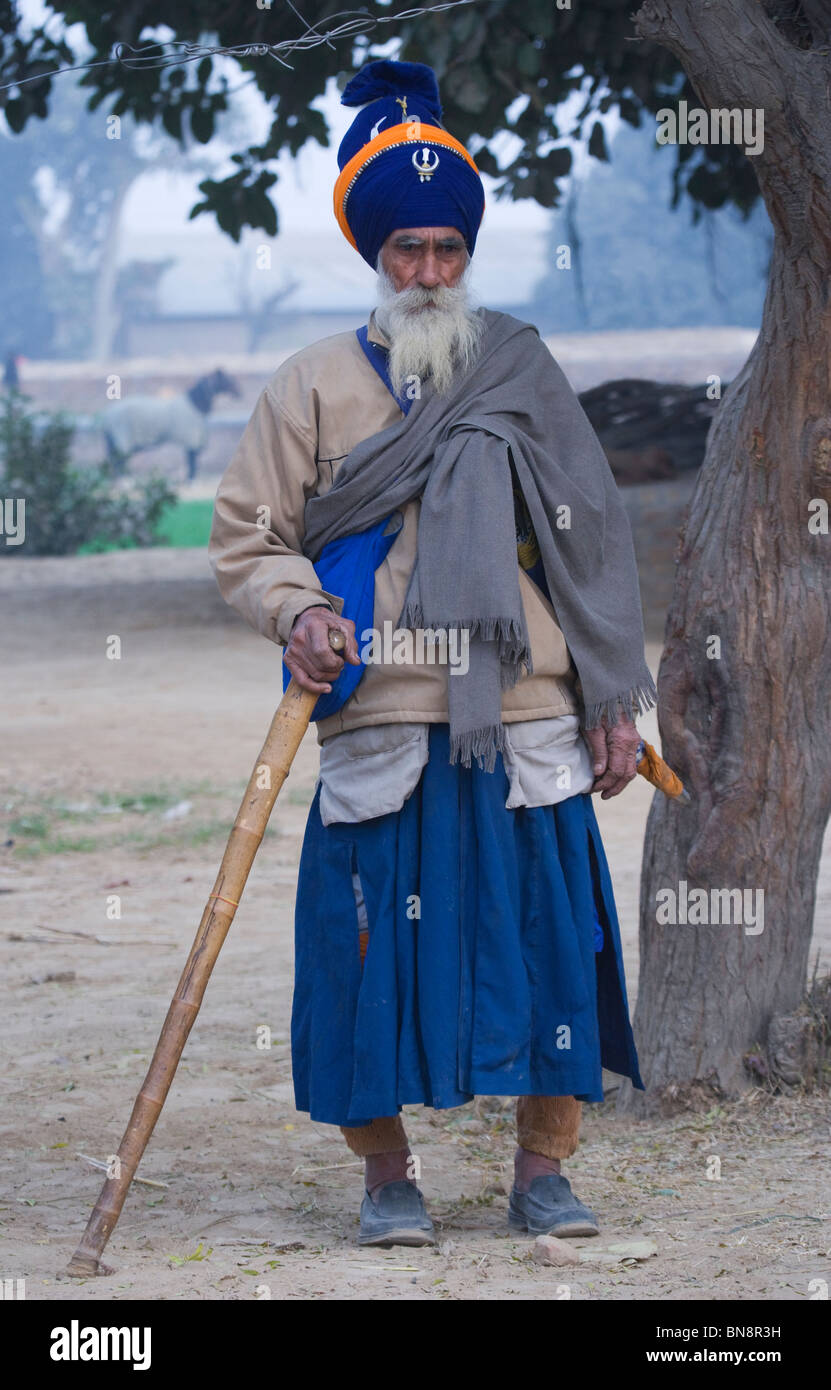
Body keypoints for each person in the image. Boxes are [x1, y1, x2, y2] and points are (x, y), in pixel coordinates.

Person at [208, 58, 656, 1248]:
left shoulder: (517, 367)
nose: (427, 273)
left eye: (446, 250)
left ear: (469, 254)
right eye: (405, 249)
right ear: (374, 253)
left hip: (525, 715)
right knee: (366, 964)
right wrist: (298, 609)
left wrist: (613, 693)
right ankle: (387, 1176)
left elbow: (593, 544)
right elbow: (249, 536)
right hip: (380, 720)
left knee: (552, 945)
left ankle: (543, 1172)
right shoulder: (308, 386)